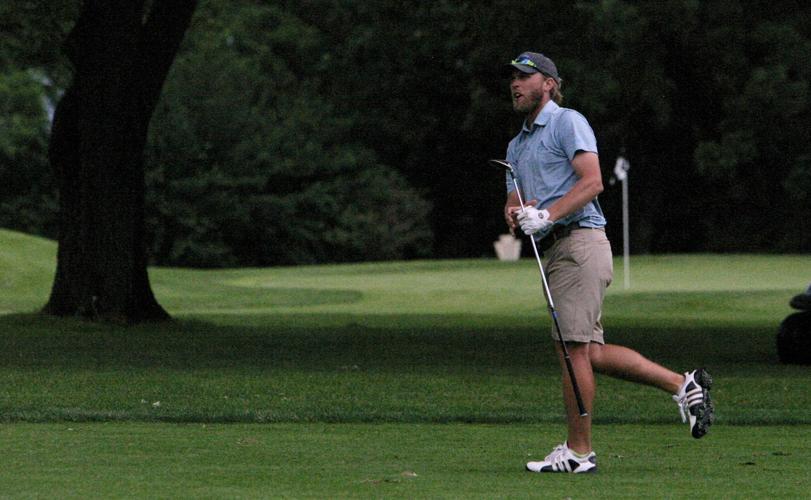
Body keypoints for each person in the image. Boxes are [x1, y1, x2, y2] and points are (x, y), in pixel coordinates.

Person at [501, 51, 715, 474]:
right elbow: (514, 200)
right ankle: (682, 384)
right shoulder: (516, 145)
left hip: (579, 243)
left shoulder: (567, 122)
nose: (515, 83)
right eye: (513, 77)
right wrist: (516, 215)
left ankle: (579, 452)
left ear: (549, 84)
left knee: (572, 351)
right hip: (554, 252)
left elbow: (593, 181)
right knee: (590, 353)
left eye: (525, 77)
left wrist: (547, 215)